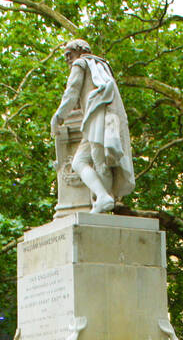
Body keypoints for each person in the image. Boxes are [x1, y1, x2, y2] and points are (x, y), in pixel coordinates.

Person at [50, 38, 135, 213]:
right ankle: (103, 198)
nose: (67, 59)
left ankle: (103, 200)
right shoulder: (102, 66)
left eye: (68, 54)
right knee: (82, 161)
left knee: (99, 162)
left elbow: (71, 92)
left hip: (98, 119)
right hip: (97, 120)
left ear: (80, 51)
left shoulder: (81, 64)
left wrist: (58, 116)